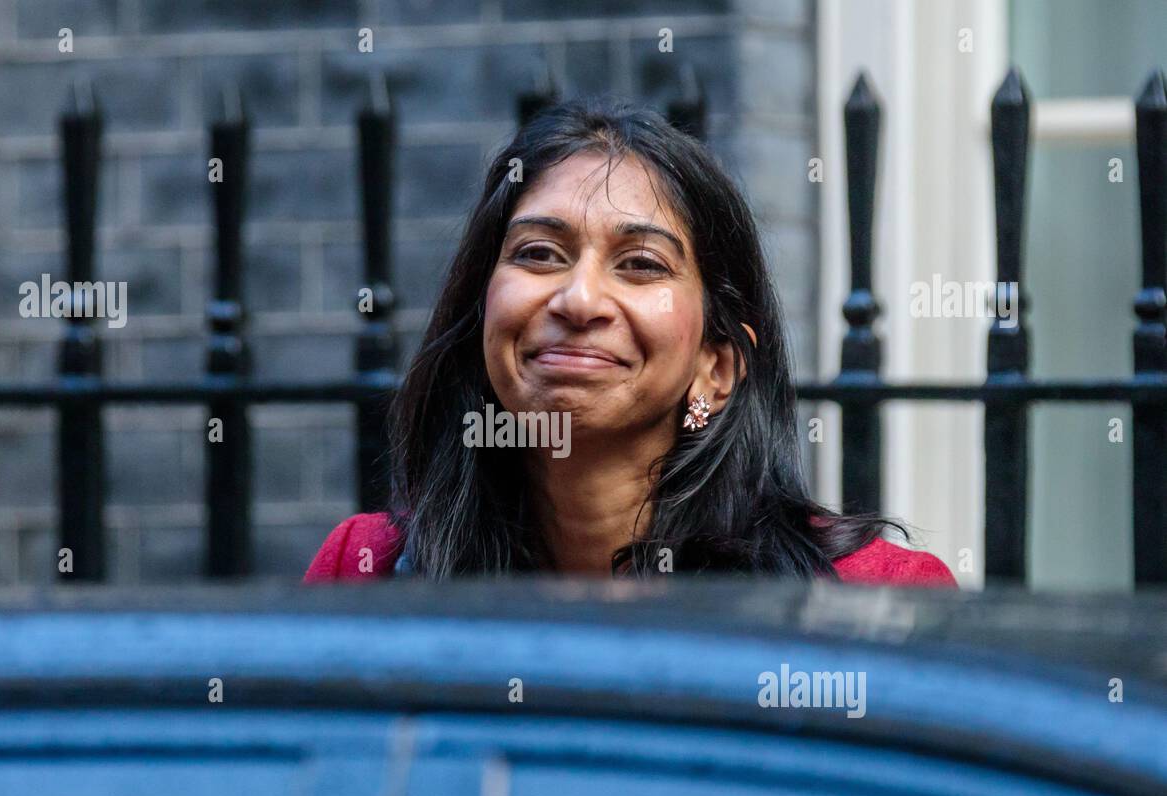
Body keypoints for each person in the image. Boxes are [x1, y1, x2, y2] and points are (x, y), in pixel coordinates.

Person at [306, 97, 955, 588]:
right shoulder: (367, 570)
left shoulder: (875, 597)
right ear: (483, 320)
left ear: (718, 367)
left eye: (641, 264)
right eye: (538, 254)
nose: (579, 300)